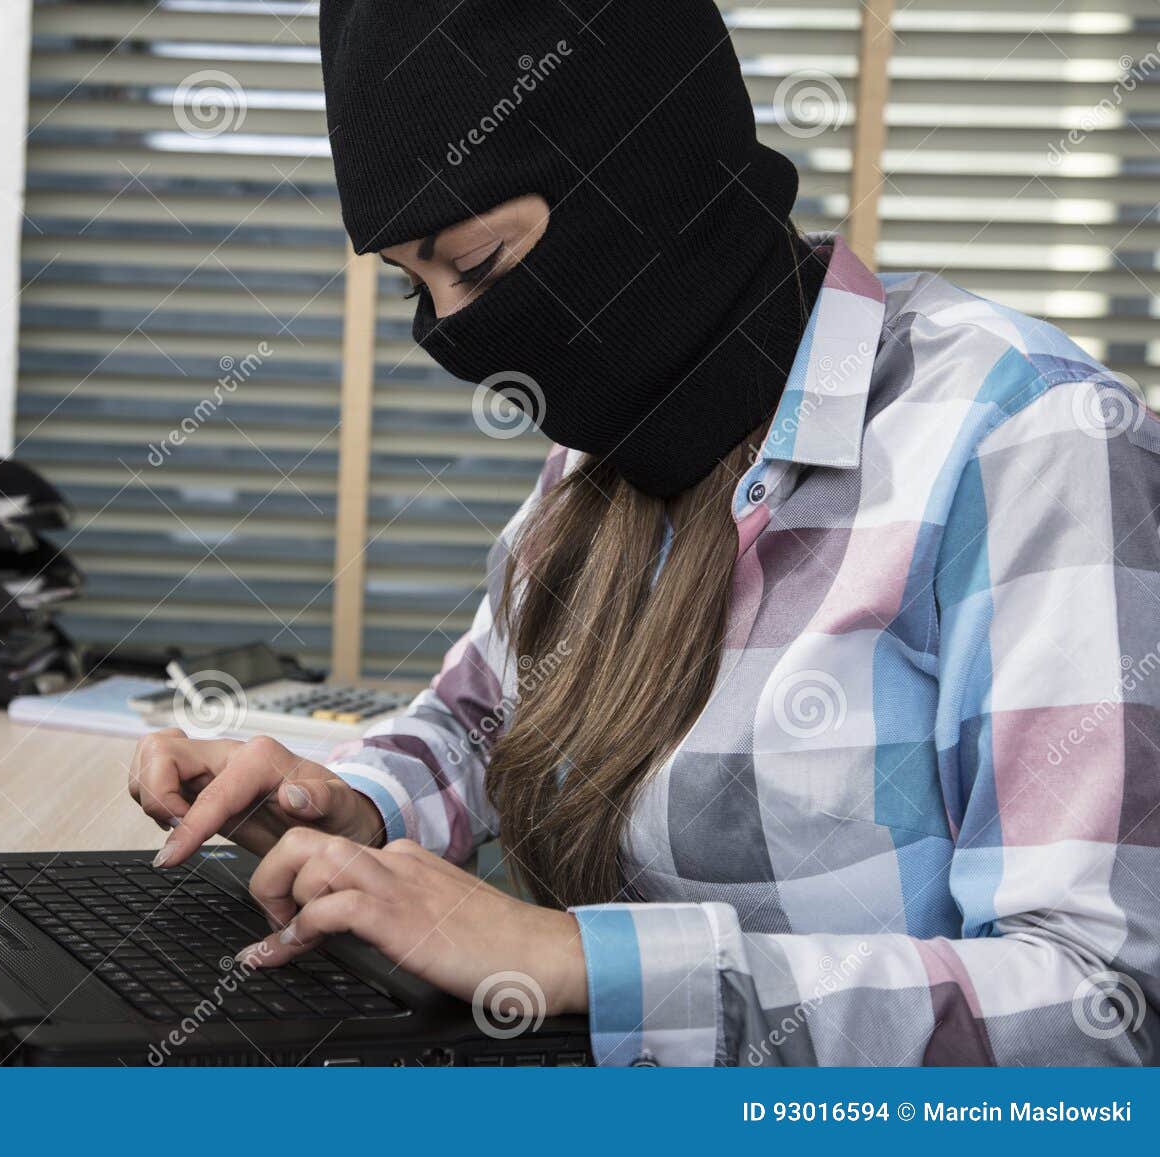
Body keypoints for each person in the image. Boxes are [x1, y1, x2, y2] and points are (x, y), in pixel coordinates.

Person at [128, 0, 1160, 1066]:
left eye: (477, 264)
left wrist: (583, 958)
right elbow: (487, 720)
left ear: (639, 169)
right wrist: (355, 807)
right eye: (415, 288)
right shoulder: (618, 428)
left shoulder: (1029, 437)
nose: (459, 334)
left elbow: (1106, 1007)